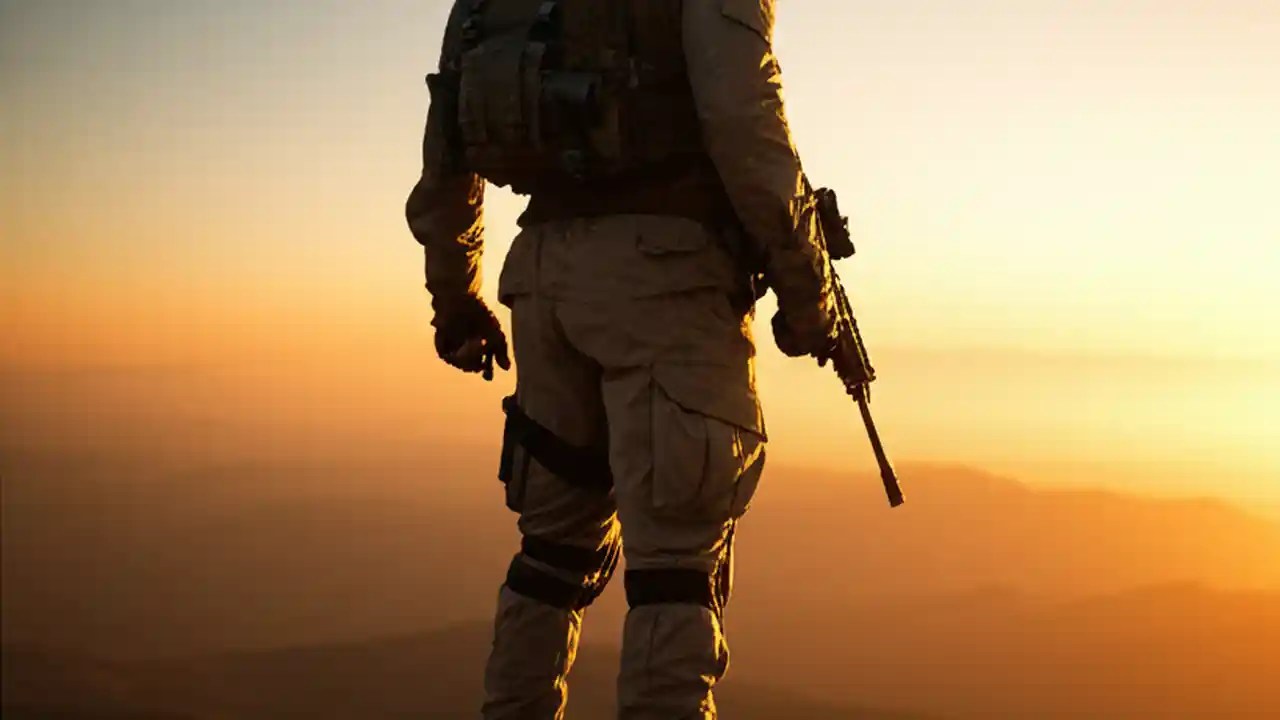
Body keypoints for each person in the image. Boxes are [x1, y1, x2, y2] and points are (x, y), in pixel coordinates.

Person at [405, 1, 839, 717]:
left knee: (550, 560)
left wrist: (453, 295)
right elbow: (746, 125)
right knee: (675, 579)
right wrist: (806, 290)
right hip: (666, 285)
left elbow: (448, 145)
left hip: (543, 282)